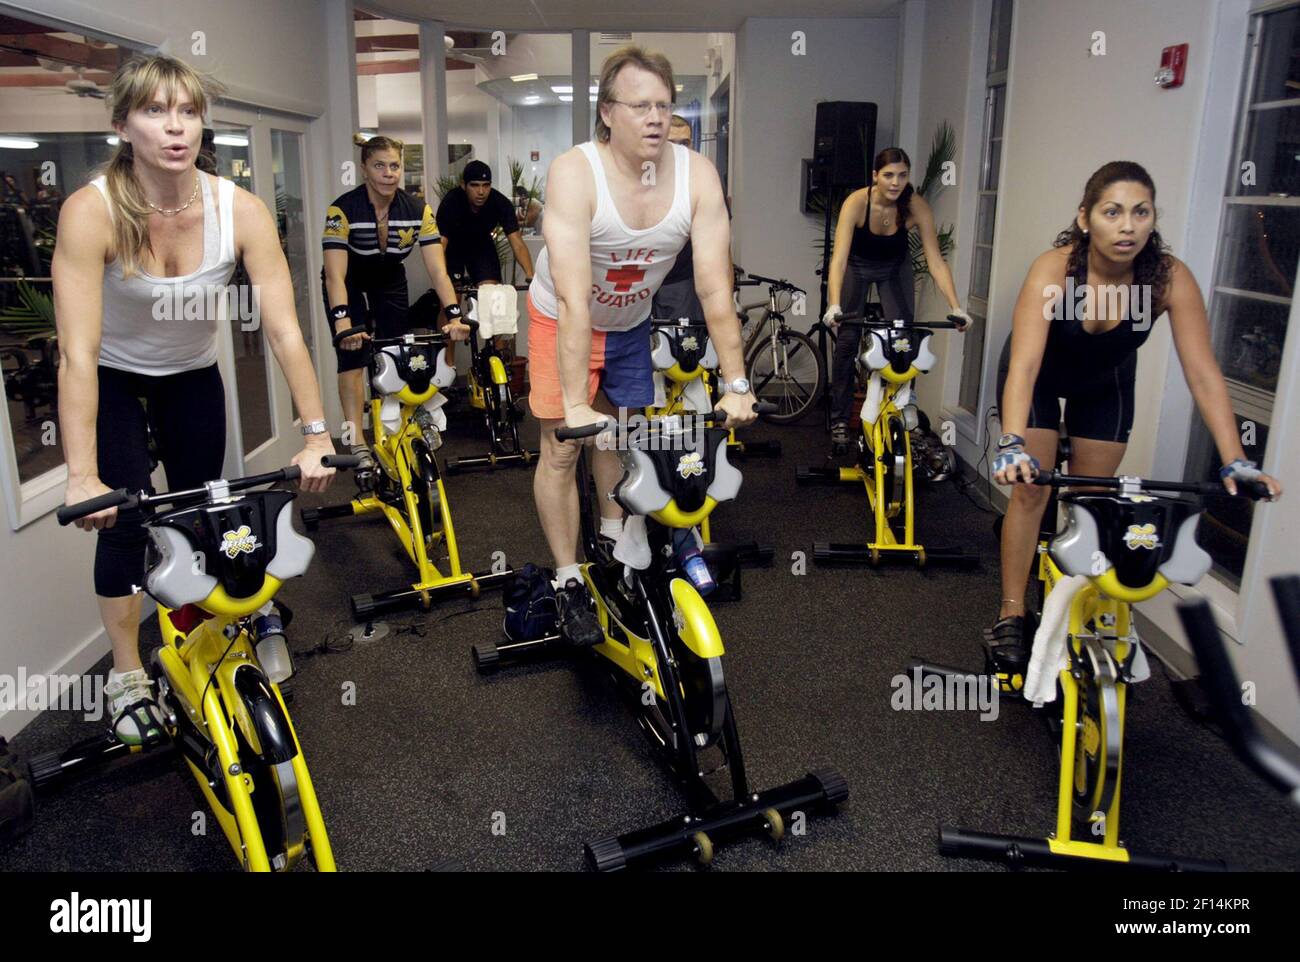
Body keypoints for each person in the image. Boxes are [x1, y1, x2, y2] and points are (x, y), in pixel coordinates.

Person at [54, 54, 337, 744]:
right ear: (123, 123)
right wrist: (80, 472)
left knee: (205, 509)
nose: (175, 128)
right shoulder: (90, 212)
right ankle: (126, 674)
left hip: (190, 374)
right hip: (116, 376)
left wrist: (317, 432)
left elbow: (284, 328)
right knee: (121, 515)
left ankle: (222, 624)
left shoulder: (237, 208)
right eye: (155, 111)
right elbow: (77, 354)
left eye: (187, 111)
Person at [988, 160, 1284, 676]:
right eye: (1112, 211)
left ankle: (1081, 608)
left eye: (1140, 212)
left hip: (1106, 384)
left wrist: (1235, 461)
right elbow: (1028, 364)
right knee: (1032, 489)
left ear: (1152, 219)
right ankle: (1013, 611)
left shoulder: (1167, 279)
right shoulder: (1054, 270)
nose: (1127, 225)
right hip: (1037, 379)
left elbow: (1205, 375)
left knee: (1093, 500)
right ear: (1086, 219)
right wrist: (1011, 441)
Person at [529, 46, 756, 645]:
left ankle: (610, 534)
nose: (656, 117)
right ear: (607, 113)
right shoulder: (575, 173)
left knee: (619, 432)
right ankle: (567, 578)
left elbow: (714, 289)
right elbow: (577, 300)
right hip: (563, 317)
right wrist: (573, 400)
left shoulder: (697, 175)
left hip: (630, 323)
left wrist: (735, 383)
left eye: (665, 105)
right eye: (640, 105)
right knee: (563, 446)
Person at [322, 134, 467, 472]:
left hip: (389, 278)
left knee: (396, 352)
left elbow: (438, 271)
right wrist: (343, 323)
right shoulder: (342, 210)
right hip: (349, 280)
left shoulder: (418, 210)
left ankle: (397, 424)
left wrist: (455, 315)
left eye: (394, 165)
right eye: (379, 165)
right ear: (364, 169)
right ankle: (356, 440)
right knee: (352, 357)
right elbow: (334, 277)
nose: (389, 173)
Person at [823, 147, 970, 451]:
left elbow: (936, 262)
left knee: (904, 340)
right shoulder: (857, 203)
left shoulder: (915, 206)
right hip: (857, 267)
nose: (895, 182)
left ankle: (903, 406)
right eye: (888, 175)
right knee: (848, 340)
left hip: (894, 269)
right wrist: (834, 304)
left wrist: (956, 306)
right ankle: (839, 419)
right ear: (875, 176)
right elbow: (838, 260)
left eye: (902, 175)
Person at [436, 160, 535, 284]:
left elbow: (517, 244)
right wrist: (441, 278)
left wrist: (531, 275)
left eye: (486, 185)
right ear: (463, 185)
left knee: (490, 294)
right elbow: (440, 245)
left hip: (481, 246)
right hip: (454, 247)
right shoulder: (451, 202)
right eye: (474, 185)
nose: (481, 192)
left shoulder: (500, 203)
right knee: (451, 298)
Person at [649, 114, 703, 323]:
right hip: (639, 283)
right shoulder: (638, 182)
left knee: (680, 351)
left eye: (685, 143)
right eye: (672, 143)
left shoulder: (702, 184)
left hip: (679, 283)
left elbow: (720, 251)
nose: (680, 150)